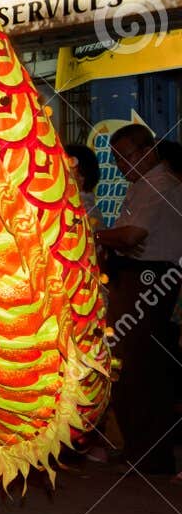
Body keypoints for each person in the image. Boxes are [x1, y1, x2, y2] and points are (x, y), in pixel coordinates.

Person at [95, 125, 182, 477]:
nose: (120, 166)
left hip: (150, 280)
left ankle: (152, 457)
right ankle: (138, 449)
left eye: (126, 157)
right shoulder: (143, 187)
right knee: (130, 369)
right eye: (115, 160)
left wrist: (94, 232)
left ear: (148, 151)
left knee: (143, 370)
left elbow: (132, 235)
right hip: (135, 278)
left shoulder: (162, 186)